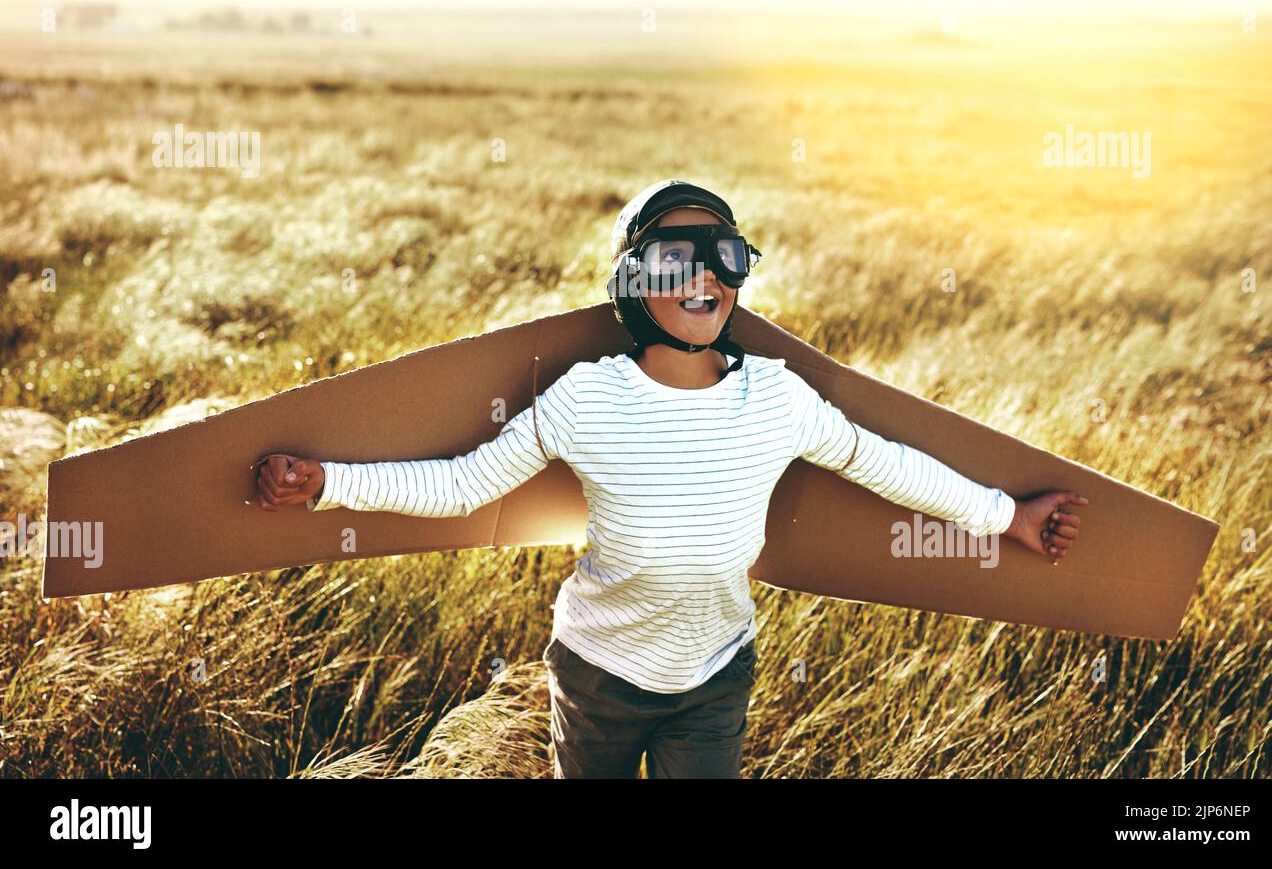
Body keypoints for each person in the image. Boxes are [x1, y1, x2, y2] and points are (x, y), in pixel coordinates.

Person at [253, 179, 1084, 779]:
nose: (707, 275)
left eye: (724, 255)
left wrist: (1006, 516)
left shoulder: (778, 397)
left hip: (715, 675)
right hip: (596, 675)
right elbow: (466, 485)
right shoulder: (587, 396)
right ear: (634, 280)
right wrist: (328, 482)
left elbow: (887, 465)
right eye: (677, 255)